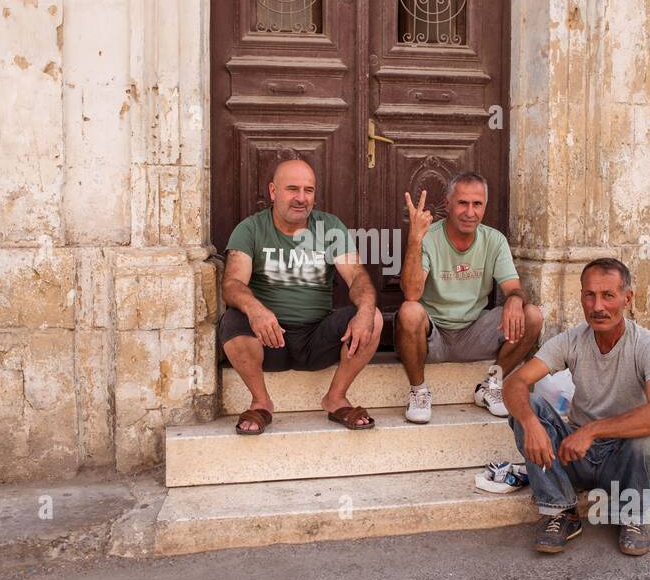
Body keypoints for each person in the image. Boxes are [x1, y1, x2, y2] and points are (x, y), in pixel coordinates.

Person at [502, 258, 650, 557]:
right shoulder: (572, 340)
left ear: (627, 298)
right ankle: (562, 512)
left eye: (608, 295)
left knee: (648, 439)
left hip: (621, 460)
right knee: (527, 406)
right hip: (575, 455)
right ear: (581, 296)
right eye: (589, 295)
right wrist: (531, 424)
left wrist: (592, 431)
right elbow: (514, 383)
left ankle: (632, 516)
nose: (598, 306)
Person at [220, 158, 383, 435]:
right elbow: (232, 284)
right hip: (270, 339)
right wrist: (256, 309)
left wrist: (366, 311)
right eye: (292, 189)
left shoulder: (329, 227)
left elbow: (356, 276)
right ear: (273, 192)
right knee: (233, 322)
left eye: (308, 190)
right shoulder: (251, 229)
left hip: (317, 340)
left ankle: (336, 398)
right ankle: (261, 402)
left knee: (373, 316)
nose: (301, 198)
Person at [395, 172, 543, 424]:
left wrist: (515, 300)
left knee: (532, 316)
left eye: (477, 204)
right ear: (447, 204)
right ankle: (418, 391)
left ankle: (492, 384)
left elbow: (513, 288)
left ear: (484, 206)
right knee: (409, 311)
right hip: (433, 338)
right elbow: (411, 293)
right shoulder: (429, 237)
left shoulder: (494, 240)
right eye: (463, 203)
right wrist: (414, 239)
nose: (470, 212)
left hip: (474, 332)